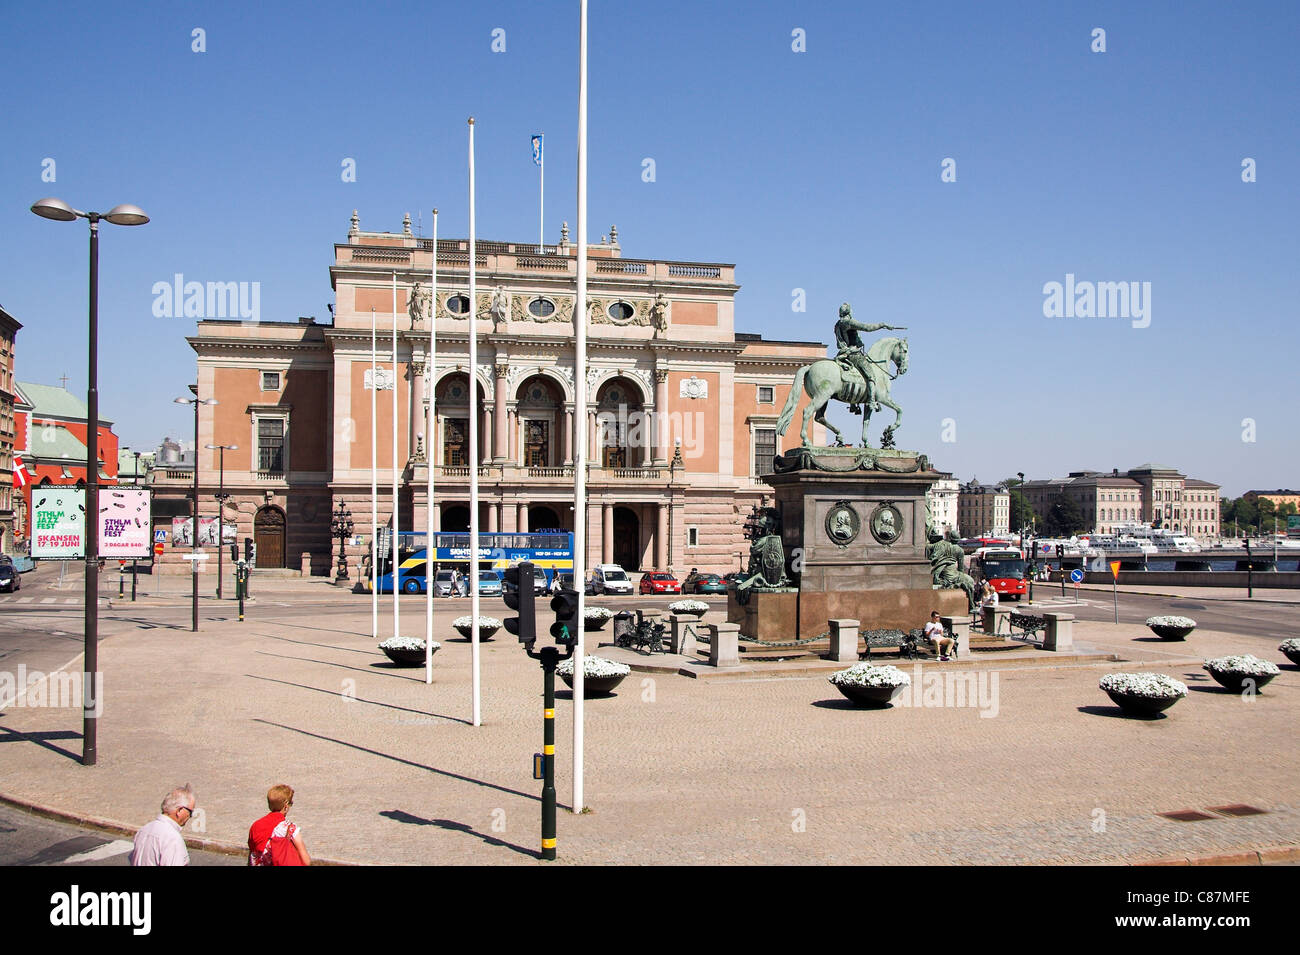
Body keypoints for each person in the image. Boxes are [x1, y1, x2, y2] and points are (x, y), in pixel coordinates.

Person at [130, 783, 195, 866]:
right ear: (180, 810)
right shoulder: (172, 838)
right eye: (190, 812)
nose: (190, 816)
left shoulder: (144, 830)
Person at [248, 783, 312, 866]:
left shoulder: (255, 826)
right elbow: (306, 861)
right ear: (286, 806)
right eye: (291, 803)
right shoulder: (290, 828)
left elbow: (252, 856)